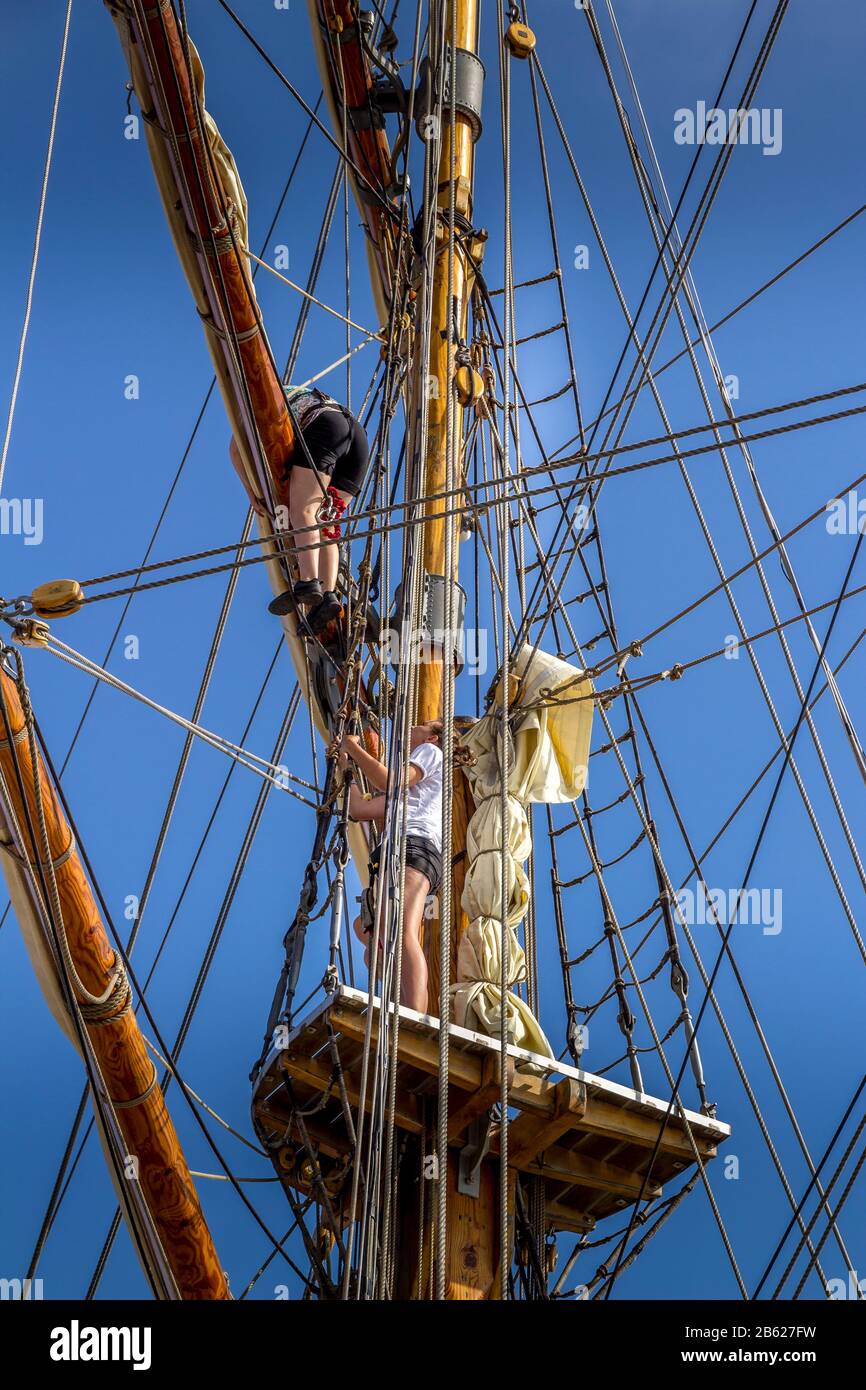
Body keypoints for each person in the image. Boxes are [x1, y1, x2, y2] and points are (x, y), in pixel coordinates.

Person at [330, 721, 443, 1013]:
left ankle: (413, 1019)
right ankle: (400, 1002)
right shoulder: (405, 796)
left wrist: (353, 747)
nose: (413, 725)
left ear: (432, 737)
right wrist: (345, 767)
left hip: (415, 847)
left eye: (422, 725)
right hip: (394, 853)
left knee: (402, 928)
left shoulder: (432, 751)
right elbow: (358, 810)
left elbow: (388, 781)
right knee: (366, 927)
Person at [267, 385, 370, 633]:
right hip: (357, 439)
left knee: (304, 510)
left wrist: (252, 494)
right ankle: (329, 596)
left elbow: (236, 451)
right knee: (326, 524)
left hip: (326, 427)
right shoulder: (297, 392)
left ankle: (308, 583)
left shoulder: (262, 405)